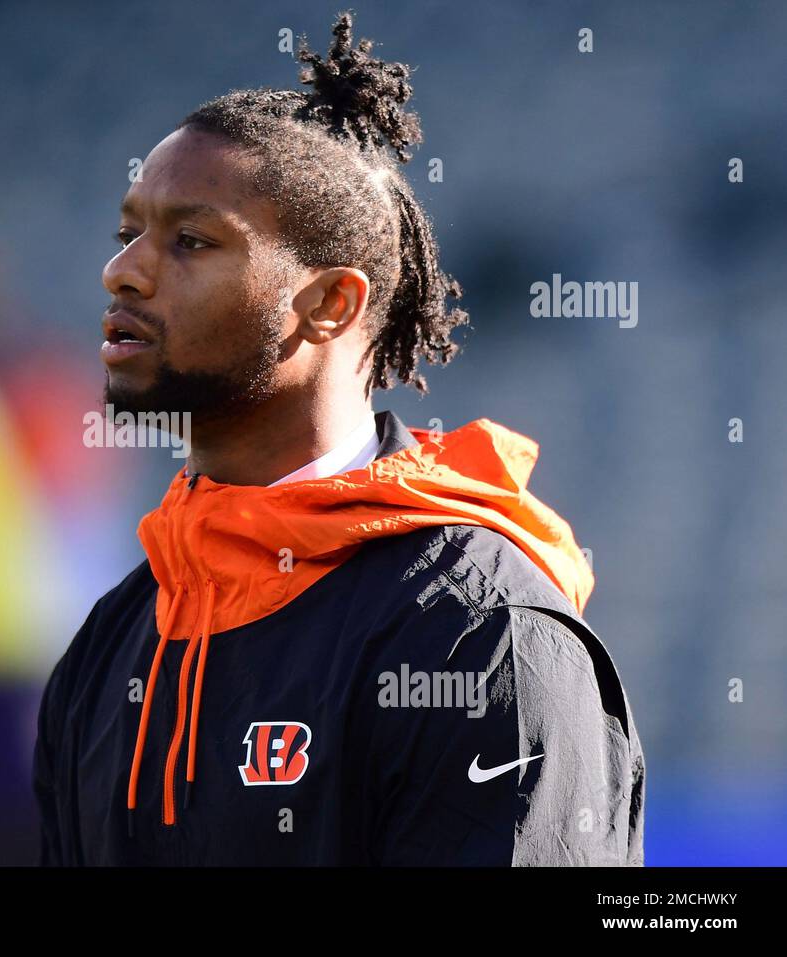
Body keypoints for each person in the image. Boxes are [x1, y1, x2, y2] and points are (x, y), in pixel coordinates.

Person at [33, 11, 644, 865]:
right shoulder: (115, 634)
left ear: (330, 304)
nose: (124, 269)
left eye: (192, 241)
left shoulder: (480, 634)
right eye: (127, 233)